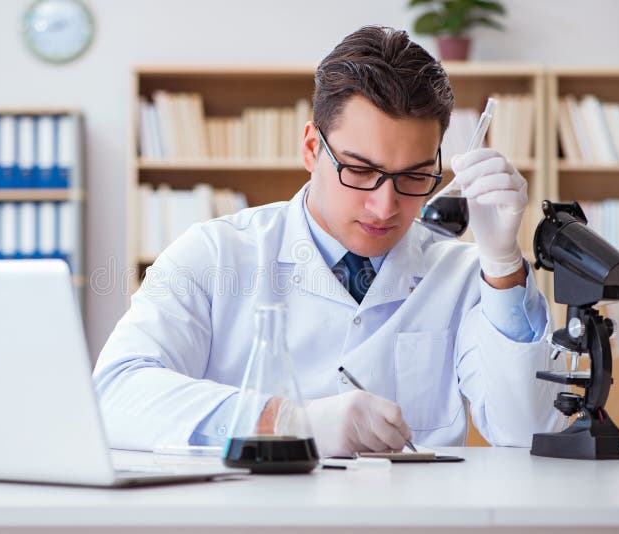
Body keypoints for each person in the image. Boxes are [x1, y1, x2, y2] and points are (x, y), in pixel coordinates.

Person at [93, 25, 565, 457]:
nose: (385, 207)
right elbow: (115, 394)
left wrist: (503, 264)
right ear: (311, 148)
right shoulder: (215, 254)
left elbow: (527, 432)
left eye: (415, 177)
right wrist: (283, 421)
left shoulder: (462, 274)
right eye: (359, 171)